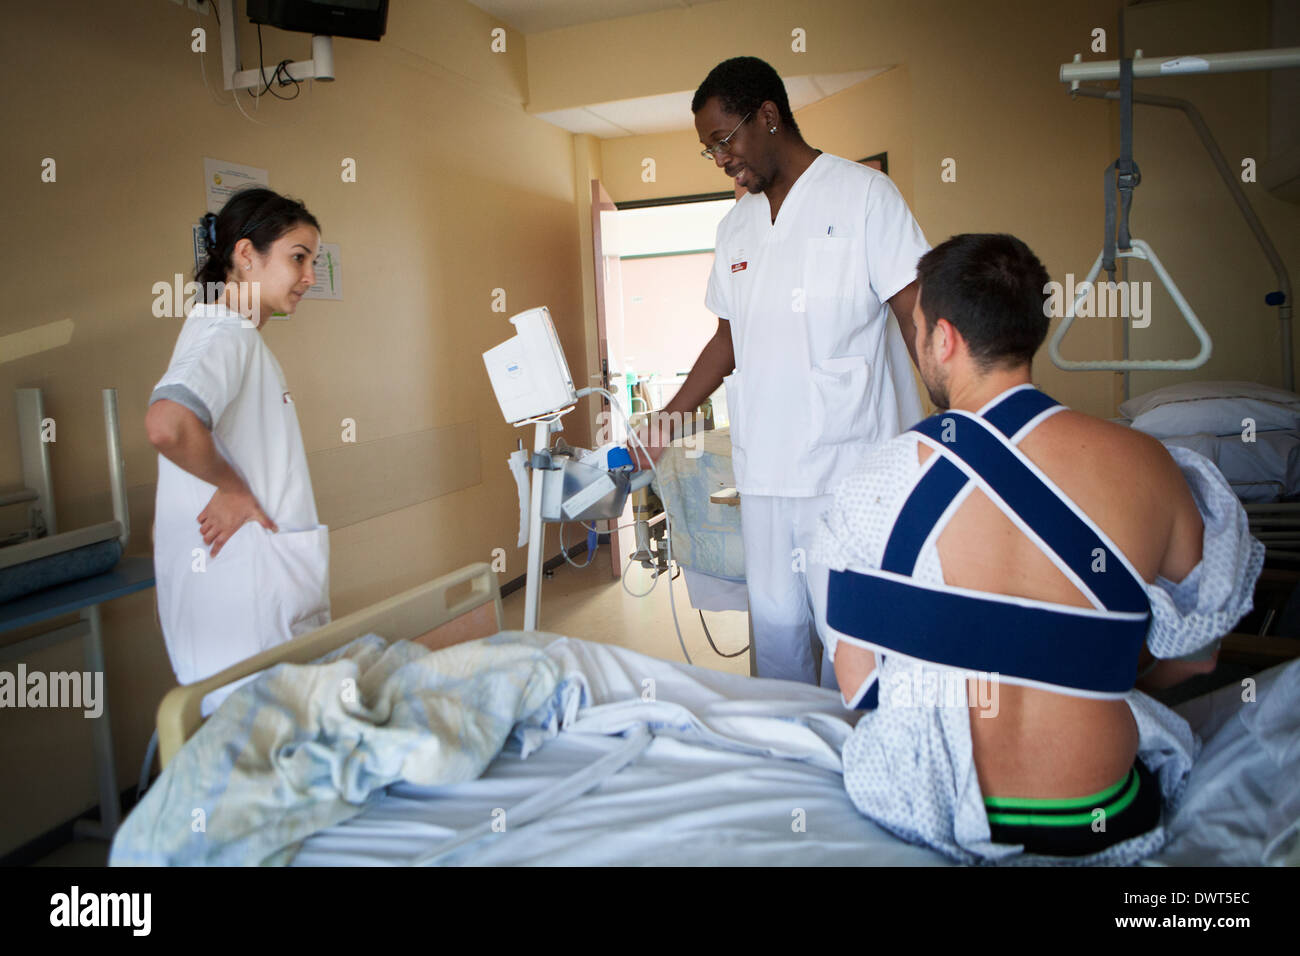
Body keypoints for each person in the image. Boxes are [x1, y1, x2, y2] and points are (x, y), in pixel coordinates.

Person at [808, 233, 1263, 863]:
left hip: (926, 805)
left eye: (916, 332)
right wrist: (1081, 671)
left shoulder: (869, 484)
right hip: (1102, 816)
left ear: (943, 339)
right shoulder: (1152, 468)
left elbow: (861, 688)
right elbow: (1198, 659)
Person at [646, 56, 930, 687]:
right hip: (766, 476)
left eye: (724, 139)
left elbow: (917, 318)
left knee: (857, 649)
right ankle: (790, 770)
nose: (720, 158)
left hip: (851, 474)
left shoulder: (863, 196)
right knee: (776, 644)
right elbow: (727, 339)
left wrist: (960, 426)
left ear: (768, 116)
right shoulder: (735, 227)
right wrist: (666, 419)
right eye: (708, 149)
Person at [145, 188, 329, 715]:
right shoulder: (224, 335)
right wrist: (232, 488)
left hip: (254, 597)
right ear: (246, 255)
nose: (310, 277)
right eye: (299, 257)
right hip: (243, 607)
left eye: (314, 261)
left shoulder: (239, 339)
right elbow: (167, 424)